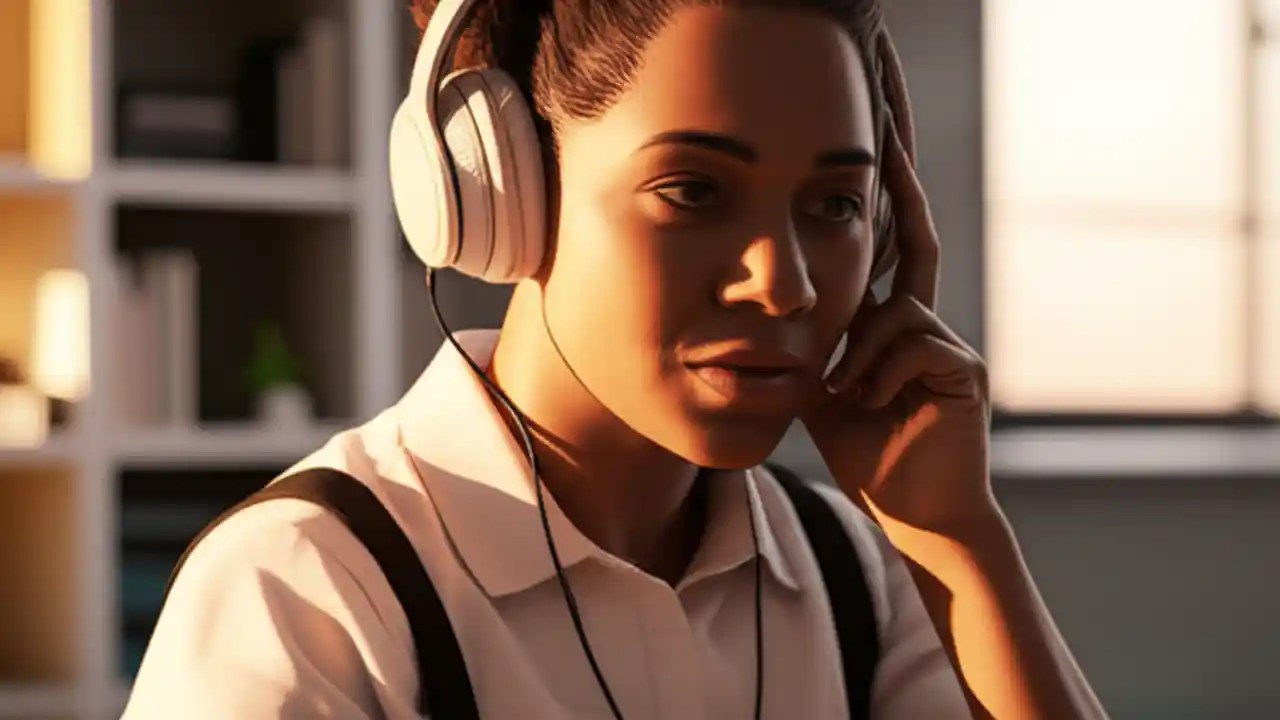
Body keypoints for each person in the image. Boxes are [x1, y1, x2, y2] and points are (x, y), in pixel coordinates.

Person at [123, 1, 1110, 718]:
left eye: (836, 206)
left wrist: (959, 544)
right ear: (504, 187)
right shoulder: (308, 590)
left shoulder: (854, 573)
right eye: (691, 190)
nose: (787, 285)